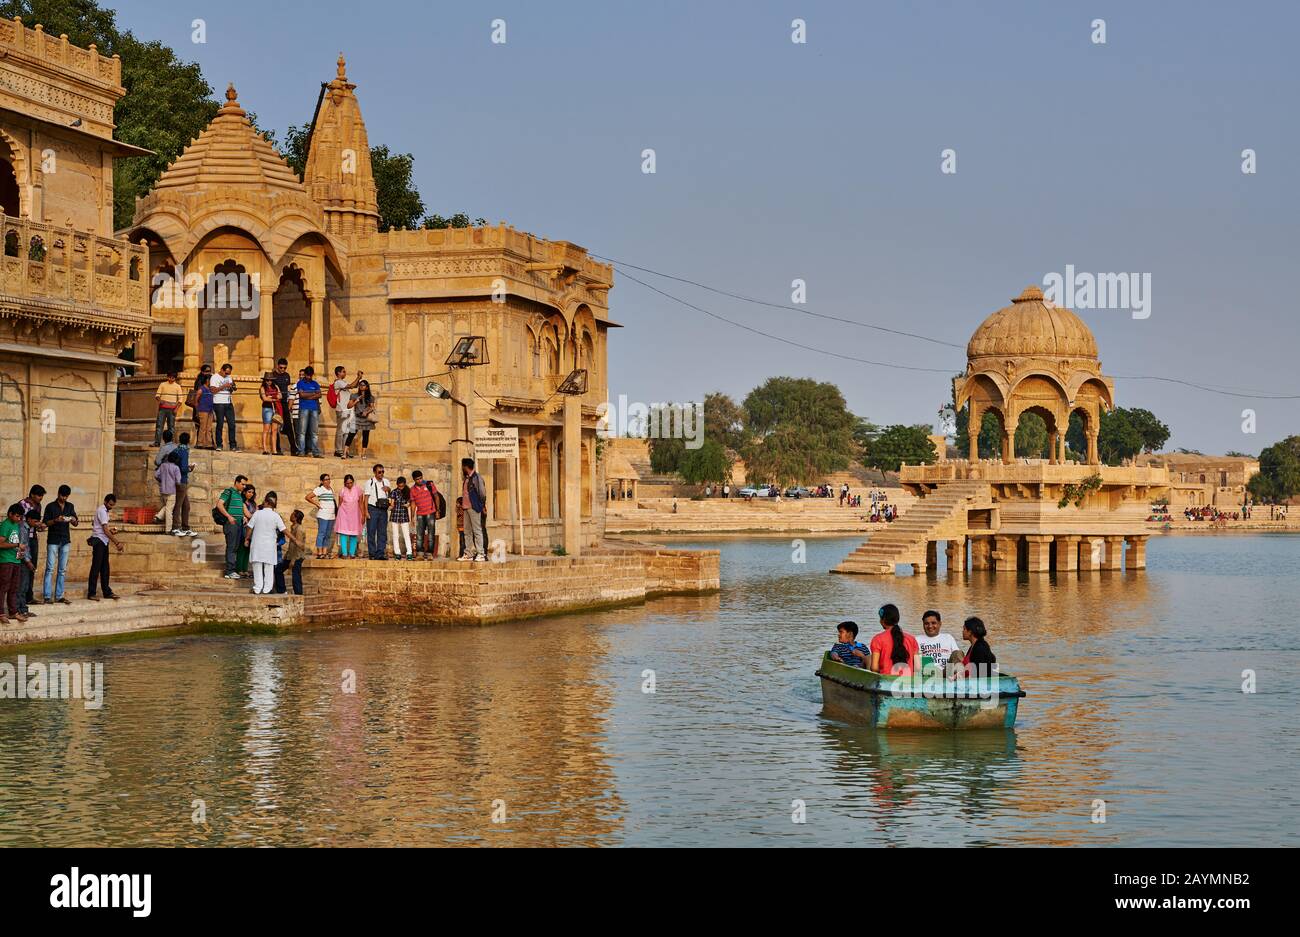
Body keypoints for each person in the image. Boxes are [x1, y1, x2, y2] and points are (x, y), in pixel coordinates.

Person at [41, 485, 78, 604]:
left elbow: (76, 523)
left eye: (66, 496)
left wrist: (72, 519)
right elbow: (45, 522)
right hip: (53, 539)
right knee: (50, 569)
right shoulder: (50, 506)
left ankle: (59, 595)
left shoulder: (70, 506)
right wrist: (56, 520)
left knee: (62, 570)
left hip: (65, 540)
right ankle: (47, 596)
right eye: (62, 496)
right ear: (58, 494)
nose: (64, 498)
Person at [244, 493, 285, 595]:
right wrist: (294, 539)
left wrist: (247, 538)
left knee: (257, 566)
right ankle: (267, 589)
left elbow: (249, 527)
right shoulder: (276, 516)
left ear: (266, 503)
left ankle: (257, 588)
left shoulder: (257, 514)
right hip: (270, 546)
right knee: (269, 567)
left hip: (257, 545)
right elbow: (284, 530)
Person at [87, 493, 123, 601]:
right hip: (99, 541)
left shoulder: (105, 511)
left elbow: (103, 528)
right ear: (105, 502)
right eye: (110, 504)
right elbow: (105, 530)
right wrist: (117, 542)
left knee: (105, 568)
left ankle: (107, 592)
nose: (111, 507)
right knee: (96, 568)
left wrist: (110, 532)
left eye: (112, 505)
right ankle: (91, 593)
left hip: (104, 541)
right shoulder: (102, 510)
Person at [17, 485, 45, 617]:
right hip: (24, 541)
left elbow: (34, 523)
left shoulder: (38, 506)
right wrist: (27, 560)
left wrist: (39, 525)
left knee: (29, 574)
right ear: (33, 494)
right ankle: (19, 608)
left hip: (32, 537)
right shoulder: (22, 505)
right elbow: (22, 546)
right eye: (39, 496)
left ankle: (26, 601)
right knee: (22, 578)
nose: (41, 498)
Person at [869, 603, 919, 676]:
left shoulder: (878, 639)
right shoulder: (911, 639)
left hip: (885, 682)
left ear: (883, 620)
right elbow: (917, 667)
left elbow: (874, 668)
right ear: (897, 619)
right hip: (907, 683)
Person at [216, 474, 249, 579]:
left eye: (245, 485)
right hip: (231, 524)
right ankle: (229, 571)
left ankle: (232, 570)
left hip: (239, 524)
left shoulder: (239, 495)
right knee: (231, 547)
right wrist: (229, 516)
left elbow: (244, 512)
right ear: (237, 482)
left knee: (235, 547)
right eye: (243, 484)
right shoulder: (228, 491)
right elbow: (219, 504)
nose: (244, 487)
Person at [0, 503, 27, 623]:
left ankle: (13, 612)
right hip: (6, 561)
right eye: (17, 516)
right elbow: (0, 544)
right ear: (10, 514)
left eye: (20, 517)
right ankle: (1, 613)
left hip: (15, 560)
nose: (19, 519)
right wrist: (16, 545)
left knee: (14, 588)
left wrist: (20, 549)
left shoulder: (16, 525)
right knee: (3, 587)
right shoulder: (5, 525)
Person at [914, 609, 962, 674]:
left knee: (958, 653)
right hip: (929, 672)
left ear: (940, 624)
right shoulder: (917, 640)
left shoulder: (948, 637)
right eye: (926, 624)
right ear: (923, 625)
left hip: (947, 671)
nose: (930, 626)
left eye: (933, 623)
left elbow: (956, 657)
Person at [459, 457, 487, 562]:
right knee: (467, 532)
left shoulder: (477, 477)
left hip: (474, 507)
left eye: (462, 466)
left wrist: (481, 505)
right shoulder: (467, 478)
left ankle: (481, 553)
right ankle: (468, 554)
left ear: (465, 467)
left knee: (477, 530)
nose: (462, 468)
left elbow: (482, 493)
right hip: (466, 508)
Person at [409, 470, 440, 559]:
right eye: (417, 479)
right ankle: (420, 553)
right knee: (419, 534)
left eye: (420, 478)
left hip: (430, 512)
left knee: (431, 533)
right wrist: (412, 517)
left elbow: (436, 496)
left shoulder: (429, 484)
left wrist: (437, 511)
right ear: (414, 480)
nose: (420, 480)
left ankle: (430, 553)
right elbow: (413, 504)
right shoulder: (412, 490)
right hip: (420, 514)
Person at [364, 464, 392, 560]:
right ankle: (372, 553)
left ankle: (380, 553)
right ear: (374, 472)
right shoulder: (370, 482)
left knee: (382, 532)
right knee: (371, 531)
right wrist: (366, 511)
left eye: (383, 471)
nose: (381, 474)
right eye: (379, 472)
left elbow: (390, 495)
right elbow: (366, 497)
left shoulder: (386, 481)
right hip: (373, 508)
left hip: (383, 509)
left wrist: (389, 489)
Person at [332, 366, 361, 458]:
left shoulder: (343, 382)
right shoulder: (338, 382)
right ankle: (338, 450)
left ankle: (345, 450)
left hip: (348, 410)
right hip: (341, 409)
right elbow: (352, 386)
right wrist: (358, 378)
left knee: (347, 431)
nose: (345, 373)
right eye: (343, 372)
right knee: (340, 431)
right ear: (338, 373)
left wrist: (359, 378)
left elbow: (354, 385)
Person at [271, 358, 298, 456]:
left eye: (285, 368)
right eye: (281, 367)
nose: (283, 370)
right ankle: (277, 448)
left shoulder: (287, 375)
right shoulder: (273, 375)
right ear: (277, 366)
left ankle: (293, 449)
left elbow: (287, 388)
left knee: (289, 426)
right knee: (276, 426)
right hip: (277, 403)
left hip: (285, 403)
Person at [306, 473, 336, 558]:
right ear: (322, 481)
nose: (328, 481)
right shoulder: (320, 489)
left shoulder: (331, 489)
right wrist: (317, 504)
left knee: (328, 534)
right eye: (326, 479)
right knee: (321, 533)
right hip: (323, 515)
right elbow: (308, 497)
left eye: (329, 479)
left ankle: (324, 552)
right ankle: (319, 553)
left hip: (331, 515)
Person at [296, 366, 324, 458]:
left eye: (310, 375)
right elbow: (301, 394)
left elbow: (319, 394)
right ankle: (301, 451)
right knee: (302, 431)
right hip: (304, 408)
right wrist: (313, 394)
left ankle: (315, 452)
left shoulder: (315, 383)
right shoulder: (300, 383)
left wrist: (307, 395)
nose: (308, 377)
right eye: (307, 375)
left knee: (314, 432)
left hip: (314, 408)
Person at [210, 363, 238, 451]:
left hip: (228, 402)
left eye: (229, 373)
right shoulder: (214, 377)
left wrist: (232, 387)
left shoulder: (229, 377)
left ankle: (233, 445)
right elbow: (213, 390)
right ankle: (219, 445)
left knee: (232, 424)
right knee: (220, 424)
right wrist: (223, 386)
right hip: (218, 403)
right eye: (226, 373)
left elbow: (233, 388)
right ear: (222, 370)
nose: (227, 375)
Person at [171, 432, 194, 536]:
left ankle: (185, 527)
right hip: (182, 481)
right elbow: (183, 468)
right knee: (179, 504)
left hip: (177, 480)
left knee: (186, 505)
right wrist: (190, 468)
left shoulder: (177, 449)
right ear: (188, 440)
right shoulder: (184, 451)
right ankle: (176, 527)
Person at [153, 370, 184, 446]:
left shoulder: (177, 386)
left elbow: (180, 400)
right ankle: (157, 442)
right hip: (162, 408)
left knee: (171, 427)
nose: (171, 379)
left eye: (173, 378)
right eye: (169, 377)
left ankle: (171, 443)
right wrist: (160, 401)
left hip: (172, 409)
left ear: (175, 378)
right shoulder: (162, 384)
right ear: (167, 377)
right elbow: (157, 395)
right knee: (159, 425)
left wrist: (176, 409)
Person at [335, 474, 363, 558]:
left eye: (351, 483)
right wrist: (338, 515)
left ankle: (352, 553)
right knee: (343, 533)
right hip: (344, 514)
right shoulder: (342, 491)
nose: (349, 485)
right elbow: (339, 503)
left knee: (353, 534)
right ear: (344, 483)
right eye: (347, 483)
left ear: (353, 482)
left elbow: (361, 503)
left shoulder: (358, 490)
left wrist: (363, 514)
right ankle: (344, 553)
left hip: (355, 515)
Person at [347, 379, 377, 457]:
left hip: (366, 418)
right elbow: (349, 406)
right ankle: (345, 452)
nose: (361, 386)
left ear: (367, 387)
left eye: (363, 385)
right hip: (357, 417)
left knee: (365, 435)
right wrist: (356, 401)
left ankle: (363, 453)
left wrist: (366, 412)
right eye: (360, 384)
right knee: (351, 434)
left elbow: (372, 407)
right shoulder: (354, 395)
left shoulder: (370, 397)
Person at [280, 509, 306, 595]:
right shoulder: (293, 527)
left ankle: (298, 594)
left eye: (292, 514)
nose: (290, 515)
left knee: (296, 576)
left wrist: (293, 560)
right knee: (278, 570)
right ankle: (282, 590)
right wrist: (287, 555)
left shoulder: (299, 529)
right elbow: (292, 545)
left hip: (297, 557)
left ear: (295, 518)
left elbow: (298, 546)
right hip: (290, 555)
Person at [154, 451, 182, 532]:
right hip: (172, 491)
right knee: (169, 510)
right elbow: (178, 481)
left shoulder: (162, 465)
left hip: (163, 490)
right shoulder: (176, 468)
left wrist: (161, 480)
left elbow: (156, 475)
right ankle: (168, 529)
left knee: (167, 507)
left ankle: (158, 516)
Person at [389, 476, 414, 560]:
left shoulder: (408, 491)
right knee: (395, 535)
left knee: (406, 534)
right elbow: (392, 504)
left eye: (402, 486)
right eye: (399, 486)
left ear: (405, 484)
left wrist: (408, 505)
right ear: (397, 485)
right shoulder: (394, 492)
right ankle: (397, 553)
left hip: (404, 515)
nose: (401, 488)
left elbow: (410, 502)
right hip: (395, 515)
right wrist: (390, 506)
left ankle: (409, 553)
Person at [258, 373, 283, 455]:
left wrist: (271, 398)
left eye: (271, 380)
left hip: (275, 409)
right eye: (267, 380)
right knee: (266, 429)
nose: (269, 382)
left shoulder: (276, 386)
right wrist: (274, 398)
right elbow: (264, 398)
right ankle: (265, 449)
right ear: (265, 380)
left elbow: (280, 396)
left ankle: (274, 450)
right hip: (267, 409)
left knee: (275, 430)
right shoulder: (262, 388)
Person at [195, 368, 216, 449]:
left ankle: (208, 444)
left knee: (209, 428)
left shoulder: (211, 389)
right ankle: (200, 443)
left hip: (210, 410)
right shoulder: (201, 389)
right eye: (210, 380)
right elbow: (196, 401)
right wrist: (197, 411)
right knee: (203, 427)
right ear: (207, 380)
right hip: (203, 410)